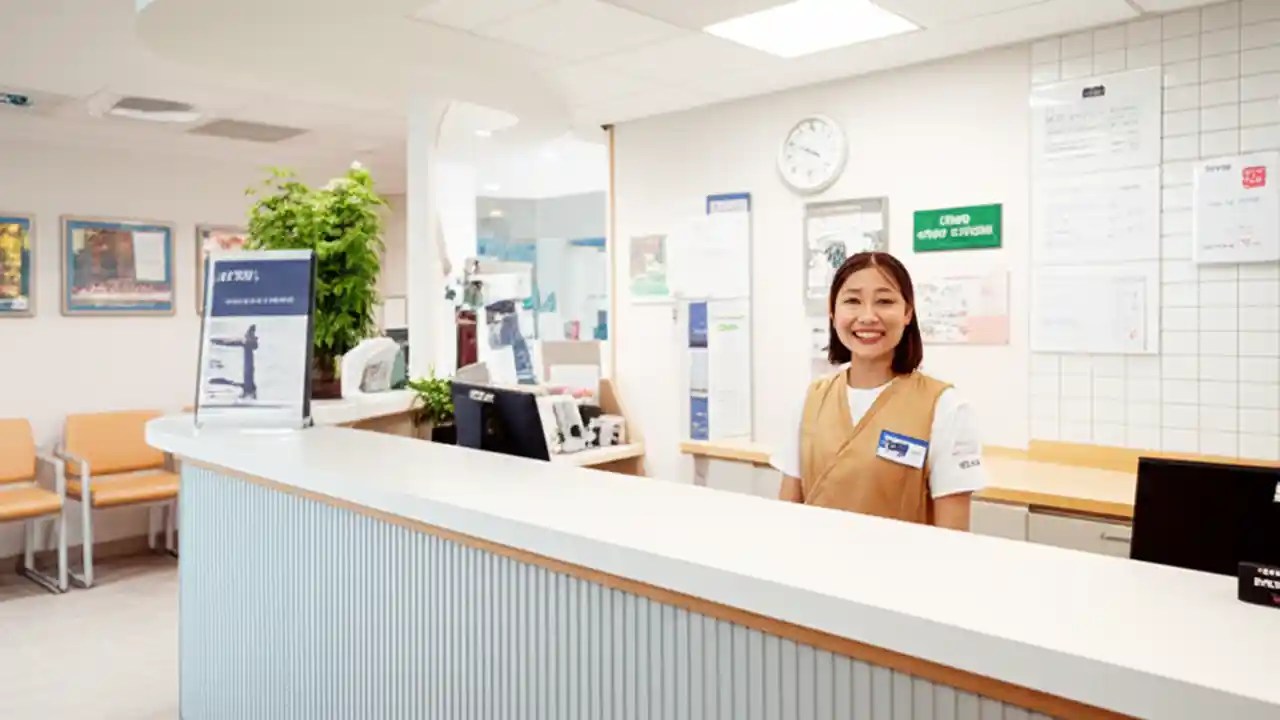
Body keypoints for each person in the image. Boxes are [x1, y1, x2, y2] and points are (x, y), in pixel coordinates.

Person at [772, 252, 987, 530]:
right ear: (832, 311)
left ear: (908, 312)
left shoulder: (945, 407)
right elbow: (787, 516)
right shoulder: (810, 400)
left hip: (902, 571)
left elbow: (954, 536)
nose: (868, 316)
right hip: (814, 567)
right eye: (852, 301)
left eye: (885, 301)